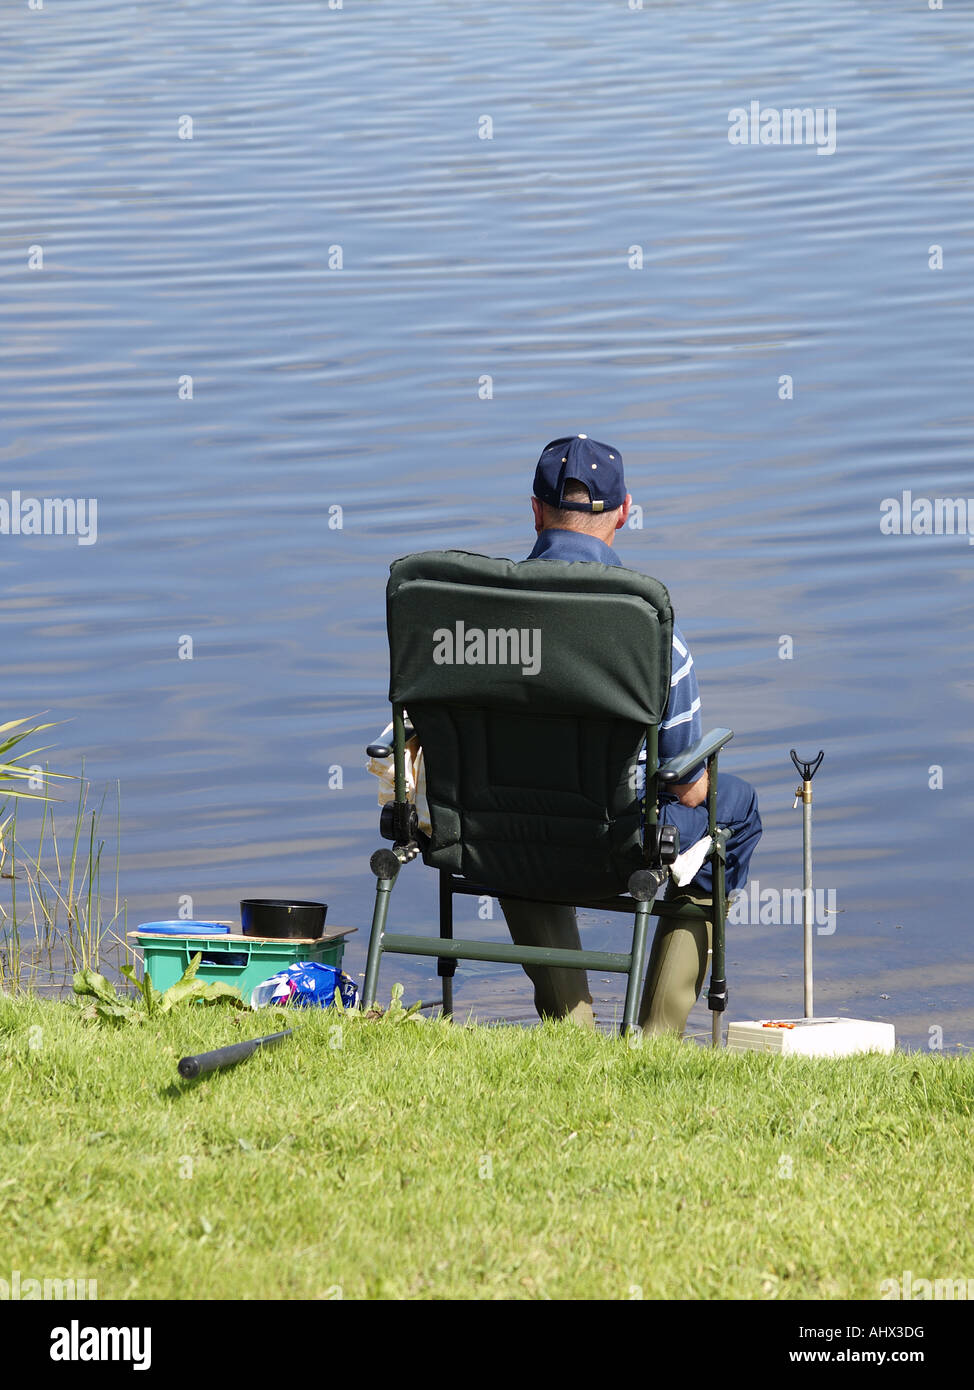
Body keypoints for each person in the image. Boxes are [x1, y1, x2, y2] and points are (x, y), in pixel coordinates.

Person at [497, 434, 762, 1036]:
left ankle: (570, 1020)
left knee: (513, 806)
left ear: (535, 510)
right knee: (735, 808)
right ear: (623, 512)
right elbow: (689, 788)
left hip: (496, 835)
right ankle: (655, 1040)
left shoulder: (475, 613)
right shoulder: (649, 630)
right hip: (614, 842)